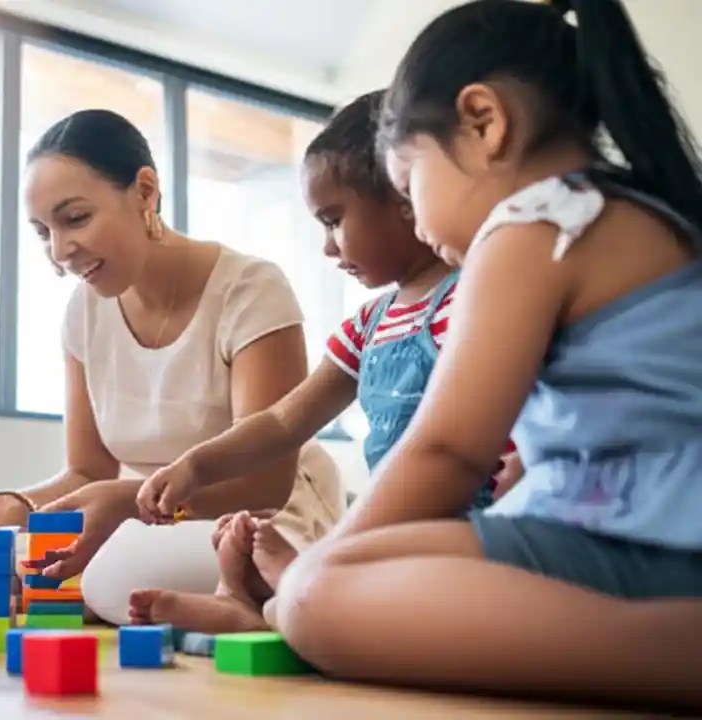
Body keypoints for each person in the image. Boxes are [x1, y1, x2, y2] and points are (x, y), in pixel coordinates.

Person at [271, 0, 702, 710]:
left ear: (483, 123)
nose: (419, 221)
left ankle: (672, 648)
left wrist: (319, 564)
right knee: (335, 575)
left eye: (410, 188)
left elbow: (445, 452)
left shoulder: (532, 225)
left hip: (647, 540)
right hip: (632, 521)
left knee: (316, 596)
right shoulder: (639, 210)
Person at [0, 109, 343, 624]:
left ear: (145, 191)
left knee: (108, 577)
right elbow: (88, 472)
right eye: (44, 231)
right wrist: (20, 504)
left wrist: (129, 503)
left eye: (76, 219)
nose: (61, 251)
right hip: (154, 517)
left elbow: (265, 482)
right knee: (41, 562)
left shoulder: (251, 290)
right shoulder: (83, 314)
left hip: (260, 522)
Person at [128, 90, 509, 633]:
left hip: (463, 527)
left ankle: (296, 593)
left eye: (334, 220)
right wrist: (197, 465)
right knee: (243, 537)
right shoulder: (369, 323)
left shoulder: (472, 296)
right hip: (392, 527)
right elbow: (286, 421)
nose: (329, 249)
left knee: (351, 575)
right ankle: (247, 595)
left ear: (404, 197)